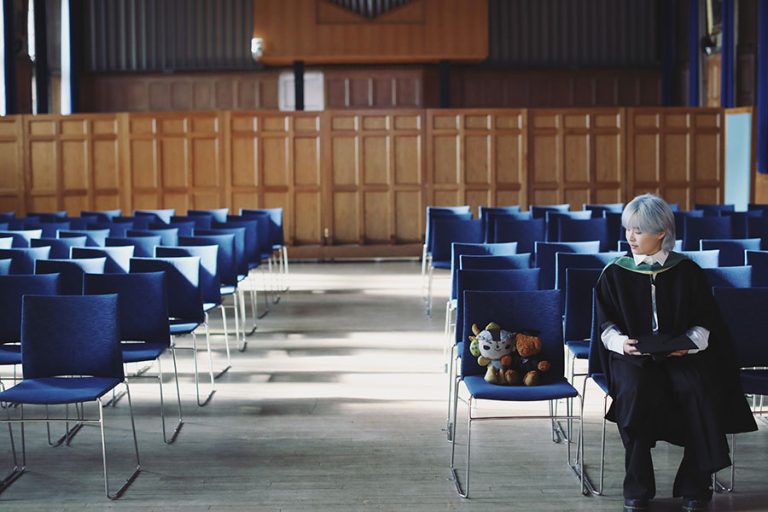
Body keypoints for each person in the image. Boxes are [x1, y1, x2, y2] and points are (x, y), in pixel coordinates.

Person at [594, 194, 756, 512]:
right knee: (635, 391)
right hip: (632, 357)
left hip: (682, 355)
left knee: (699, 389)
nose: (630, 237)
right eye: (628, 229)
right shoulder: (614, 273)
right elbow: (605, 324)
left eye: (639, 230)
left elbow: (705, 323)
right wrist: (621, 343)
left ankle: (695, 486)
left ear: (662, 232)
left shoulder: (687, 271)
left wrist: (690, 343)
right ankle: (638, 489)